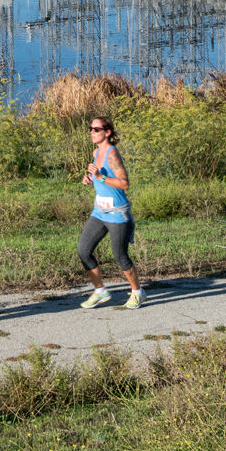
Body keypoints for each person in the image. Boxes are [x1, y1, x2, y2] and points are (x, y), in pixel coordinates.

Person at [77, 115, 142, 309]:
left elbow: (124, 184)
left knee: (120, 256)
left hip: (117, 213)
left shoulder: (112, 154)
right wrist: (90, 178)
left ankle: (138, 293)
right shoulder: (96, 151)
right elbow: (100, 177)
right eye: (90, 128)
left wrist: (100, 177)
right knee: (84, 250)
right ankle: (100, 291)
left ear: (107, 132)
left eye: (96, 129)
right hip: (99, 212)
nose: (92, 132)